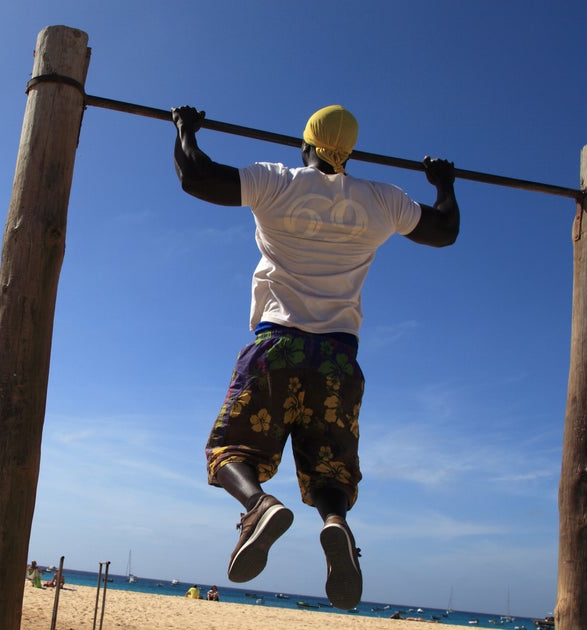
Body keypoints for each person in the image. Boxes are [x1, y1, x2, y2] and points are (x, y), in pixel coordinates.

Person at [171, 104, 460, 611]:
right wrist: (443, 183)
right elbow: (444, 230)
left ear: (303, 145)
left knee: (230, 453)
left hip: (276, 345)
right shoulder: (383, 200)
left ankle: (258, 505)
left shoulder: (277, 182)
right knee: (330, 471)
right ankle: (336, 524)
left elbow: (197, 178)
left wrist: (185, 129)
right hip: (337, 359)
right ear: (349, 152)